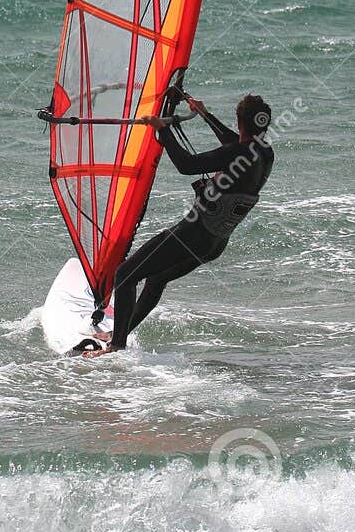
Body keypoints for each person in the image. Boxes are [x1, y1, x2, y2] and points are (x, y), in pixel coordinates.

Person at [78, 93, 275, 357]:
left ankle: (116, 345)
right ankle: (118, 335)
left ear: (240, 122)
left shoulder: (237, 152)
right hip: (215, 243)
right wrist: (204, 114)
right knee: (157, 277)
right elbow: (233, 141)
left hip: (194, 233)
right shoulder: (264, 153)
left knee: (125, 274)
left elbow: (186, 165)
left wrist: (164, 131)